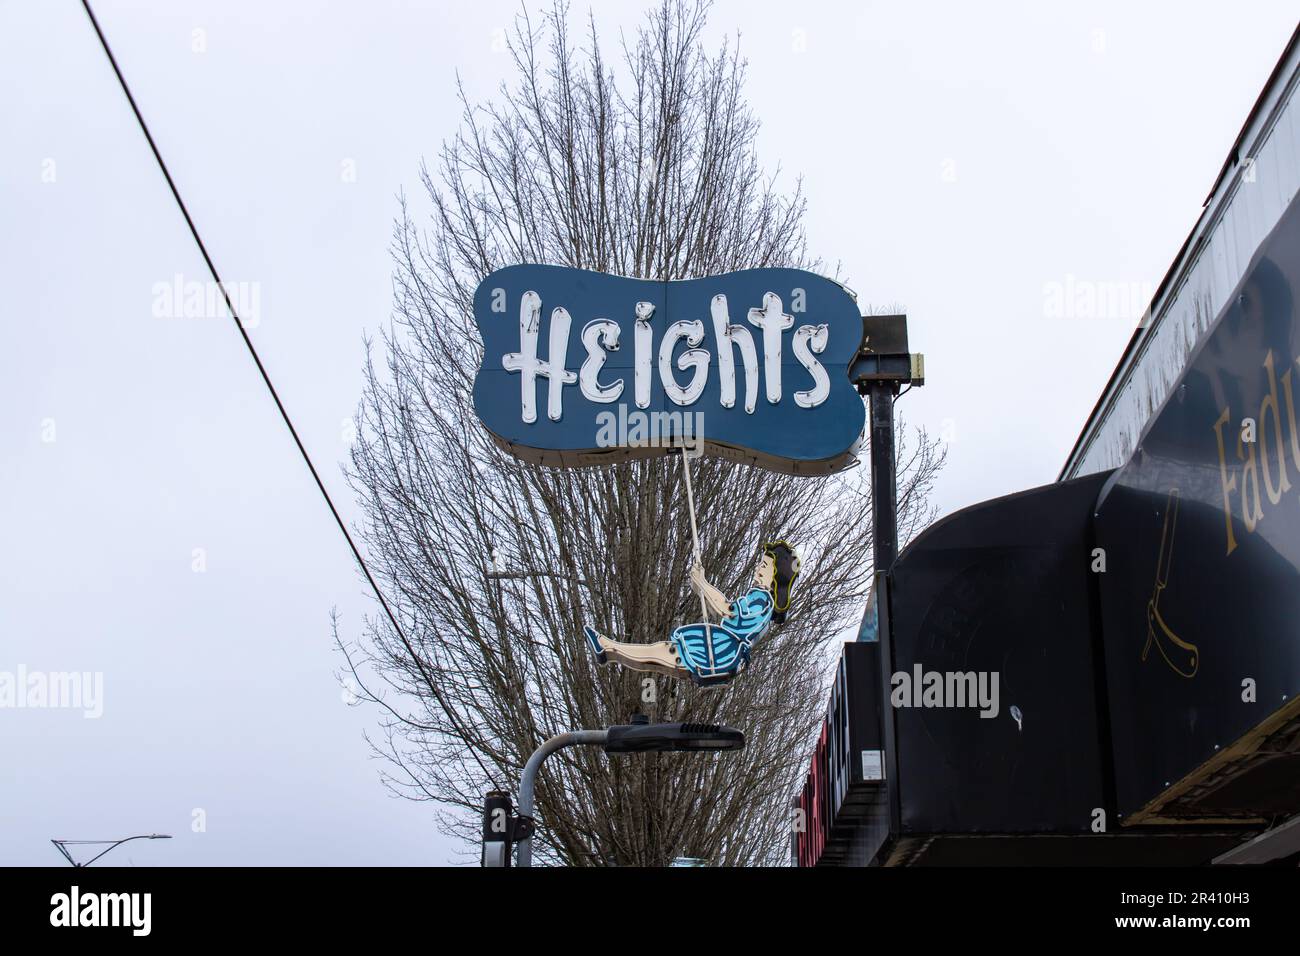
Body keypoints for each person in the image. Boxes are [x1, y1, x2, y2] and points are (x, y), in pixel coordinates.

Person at [583, 541, 800, 688]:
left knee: (665, 652)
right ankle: (609, 647)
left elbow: (728, 609)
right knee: (664, 652)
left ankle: (609, 647)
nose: (758, 569)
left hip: (722, 647)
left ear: (776, 573)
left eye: (764, 565)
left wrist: (703, 584)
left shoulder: (761, 599)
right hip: (721, 642)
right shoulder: (759, 596)